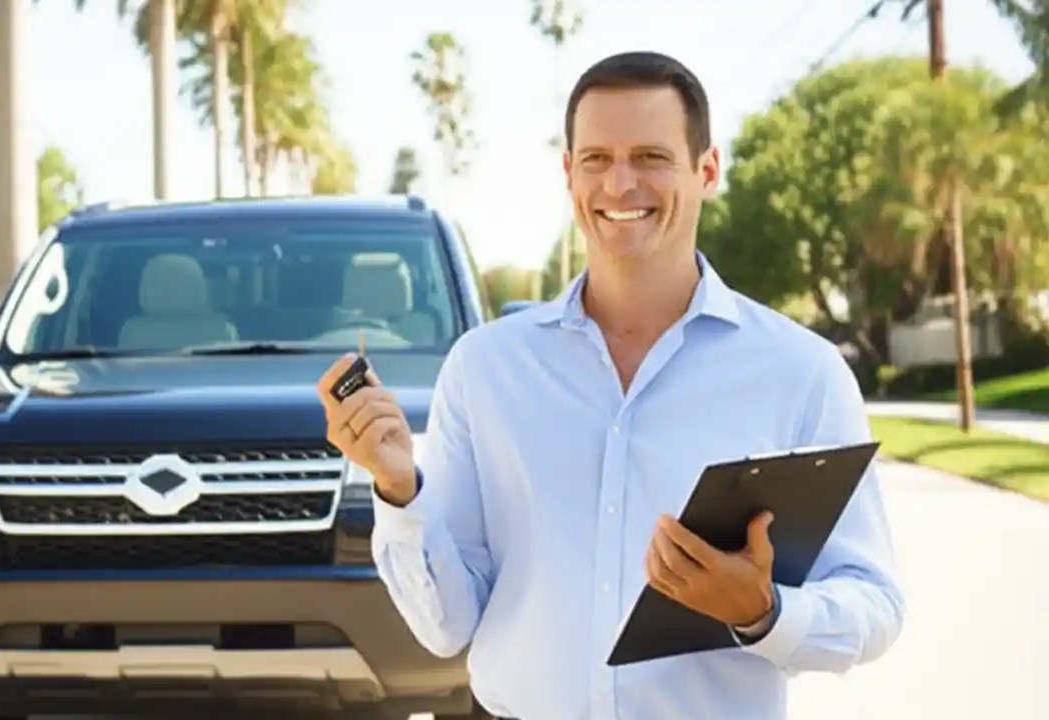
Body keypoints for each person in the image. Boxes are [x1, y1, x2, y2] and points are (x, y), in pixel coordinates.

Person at [316, 50, 905, 720]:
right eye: (596, 158)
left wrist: (764, 612)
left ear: (706, 170)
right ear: (569, 173)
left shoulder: (801, 372)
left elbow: (874, 602)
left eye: (651, 156)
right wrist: (398, 487)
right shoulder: (486, 369)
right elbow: (445, 626)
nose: (620, 185)